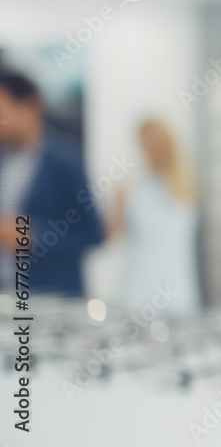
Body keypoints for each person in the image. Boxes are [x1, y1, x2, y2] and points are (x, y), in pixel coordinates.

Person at [0, 69, 103, 295]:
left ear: (29, 107)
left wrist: (34, 234)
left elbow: (92, 234)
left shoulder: (67, 163)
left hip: (49, 299)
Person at [109, 118, 201, 314]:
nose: (148, 152)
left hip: (176, 288)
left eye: (153, 145)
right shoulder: (135, 189)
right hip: (137, 288)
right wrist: (118, 206)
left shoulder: (185, 187)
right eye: (144, 146)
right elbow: (114, 234)